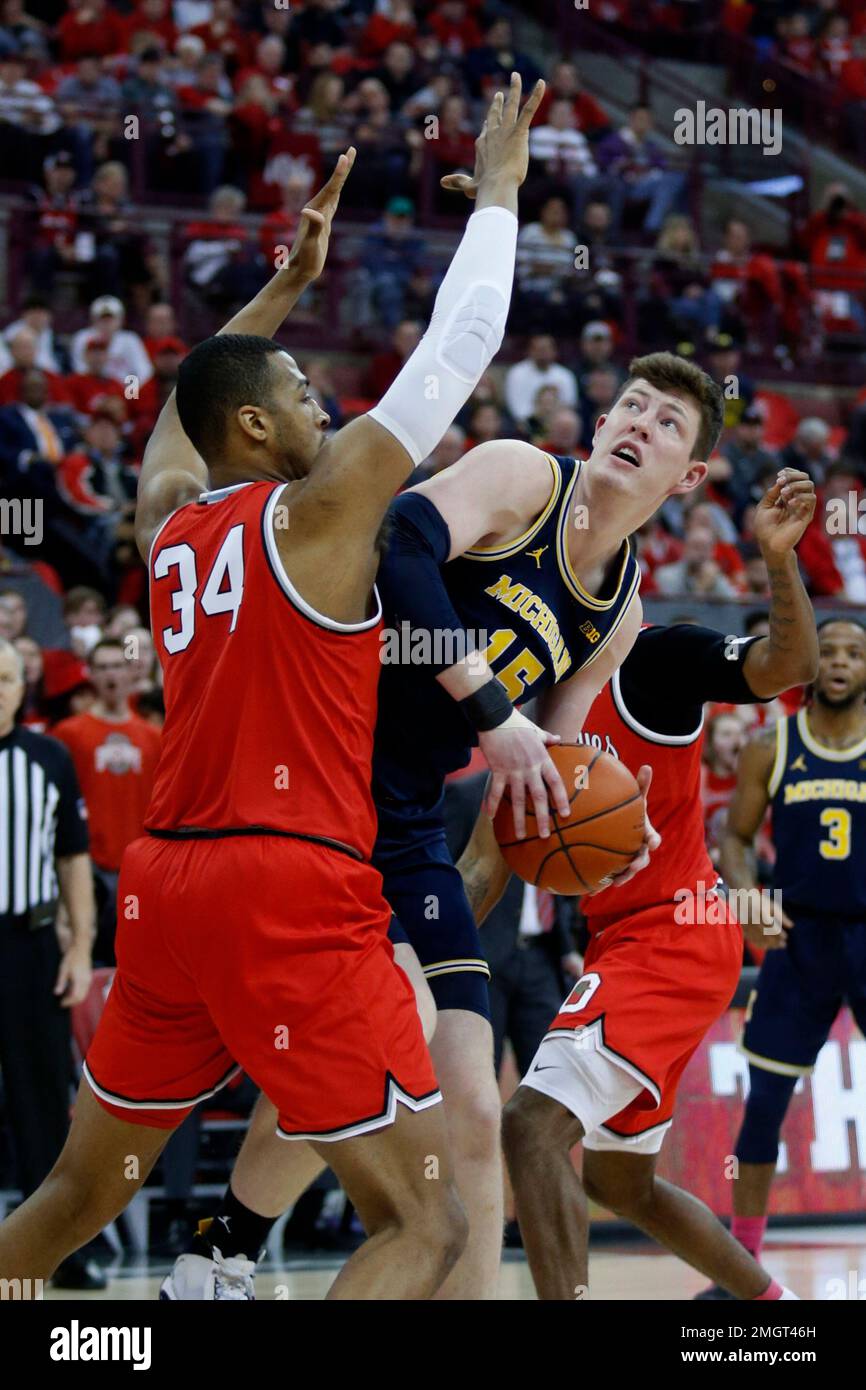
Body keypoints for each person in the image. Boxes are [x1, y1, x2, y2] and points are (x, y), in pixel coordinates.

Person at [0, 76, 549, 1300]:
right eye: (304, 391)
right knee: (425, 1222)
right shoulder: (323, 510)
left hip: (169, 889)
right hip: (289, 883)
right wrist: (502, 195)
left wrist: (284, 291)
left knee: (77, 1194)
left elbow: (179, 424)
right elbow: (457, 351)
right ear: (258, 427)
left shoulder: (171, 526)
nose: (328, 404)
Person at [168, 349, 739, 1301]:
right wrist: (488, 707)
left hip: (413, 817)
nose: (639, 423)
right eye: (630, 406)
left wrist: (611, 826)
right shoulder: (521, 473)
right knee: (392, 1031)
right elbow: (398, 543)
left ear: (687, 478)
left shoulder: (621, 614)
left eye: (668, 423)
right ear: (599, 427)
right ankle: (222, 1251)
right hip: (329, 773)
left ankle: (247, 1255)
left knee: (477, 1102)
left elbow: (554, 768)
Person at [461, 470, 817, 1300]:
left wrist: (775, 560)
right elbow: (486, 862)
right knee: (618, 1185)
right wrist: (414, 960)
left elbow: (784, 664)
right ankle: (776, 1309)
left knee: (531, 1126)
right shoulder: (524, 706)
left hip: (675, 933)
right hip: (619, 937)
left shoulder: (654, 660)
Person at [698, 617, 866, 1299]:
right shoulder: (772, 746)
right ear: (808, 664)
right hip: (798, 939)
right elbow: (733, 839)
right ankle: (744, 1268)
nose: (839, 663)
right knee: (764, 1103)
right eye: (827, 651)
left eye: (855, 654)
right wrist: (745, 898)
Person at [0, 639, 100, 1290]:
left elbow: (73, 860)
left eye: (6, 676)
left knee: (41, 1100)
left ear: (23, 684)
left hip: (29, 945)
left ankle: (52, 1252)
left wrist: (81, 947)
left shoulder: (49, 757)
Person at [53, 637, 162, 965]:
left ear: (131, 672)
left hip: (140, 868)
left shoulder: (155, 737)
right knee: (90, 960)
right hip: (89, 867)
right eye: (102, 667)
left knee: (137, 962)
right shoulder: (68, 735)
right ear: (91, 675)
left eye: (117, 665)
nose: (111, 675)